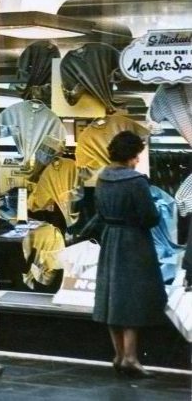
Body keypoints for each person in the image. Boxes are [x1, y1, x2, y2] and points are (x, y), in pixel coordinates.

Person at [92, 131, 165, 378]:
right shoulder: (136, 181)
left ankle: (119, 355)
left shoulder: (102, 178)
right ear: (132, 155)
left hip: (110, 239)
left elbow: (99, 214)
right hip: (134, 242)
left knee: (113, 297)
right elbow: (150, 217)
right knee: (133, 299)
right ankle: (131, 357)